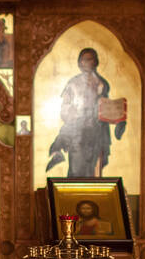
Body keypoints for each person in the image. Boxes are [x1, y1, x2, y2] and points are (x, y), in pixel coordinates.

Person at [46, 47, 123, 176]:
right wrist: (76, 116)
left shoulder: (102, 83)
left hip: (97, 133)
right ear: (79, 62)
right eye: (82, 60)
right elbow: (64, 109)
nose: (85, 63)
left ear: (96, 62)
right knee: (76, 169)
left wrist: (118, 117)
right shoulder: (73, 84)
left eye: (89, 59)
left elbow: (107, 107)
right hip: (78, 134)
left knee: (93, 171)